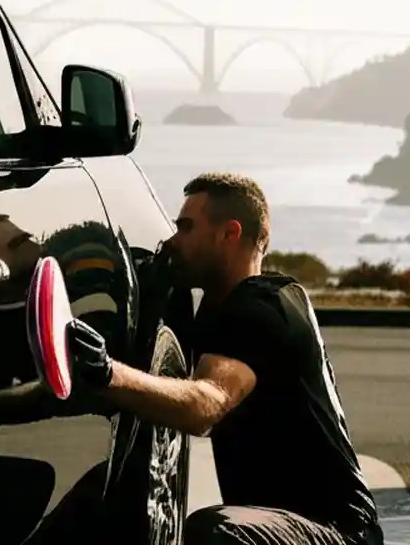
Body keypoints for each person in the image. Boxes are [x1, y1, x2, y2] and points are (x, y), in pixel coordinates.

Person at [64, 172, 384, 545]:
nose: (171, 241)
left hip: (339, 534)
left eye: (185, 228)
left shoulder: (257, 310)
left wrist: (107, 373)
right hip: (298, 526)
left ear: (229, 234)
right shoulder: (258, 298)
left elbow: (205, 405)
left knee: (217, 533)